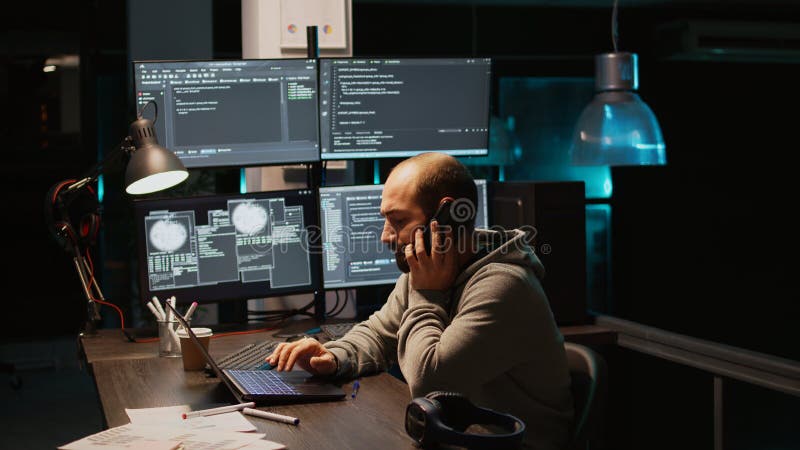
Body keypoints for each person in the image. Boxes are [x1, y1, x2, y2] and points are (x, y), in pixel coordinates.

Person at [267, 153, 573, 449]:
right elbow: (379, 332)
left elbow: (431, 382)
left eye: (398, 220)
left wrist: (428, 294)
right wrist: (333, 357)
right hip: (457, 434)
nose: (386, 236)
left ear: (448, 215)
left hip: (507, 443)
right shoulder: (429, 271)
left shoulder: (504, 285)